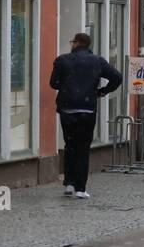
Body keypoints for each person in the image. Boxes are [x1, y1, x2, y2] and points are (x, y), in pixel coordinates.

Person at [49, 32, 123, 199]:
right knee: (83, 148)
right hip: (87, 110)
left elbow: (53, 83)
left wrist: (67, 86)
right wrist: (102, 91)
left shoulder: (62, 60)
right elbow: (117, 77)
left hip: (68, 110)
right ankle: (80, 188)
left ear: (76, 43)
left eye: (72, 42)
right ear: (87, 45)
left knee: (70, 145)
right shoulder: (97, 61)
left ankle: (69, 183)